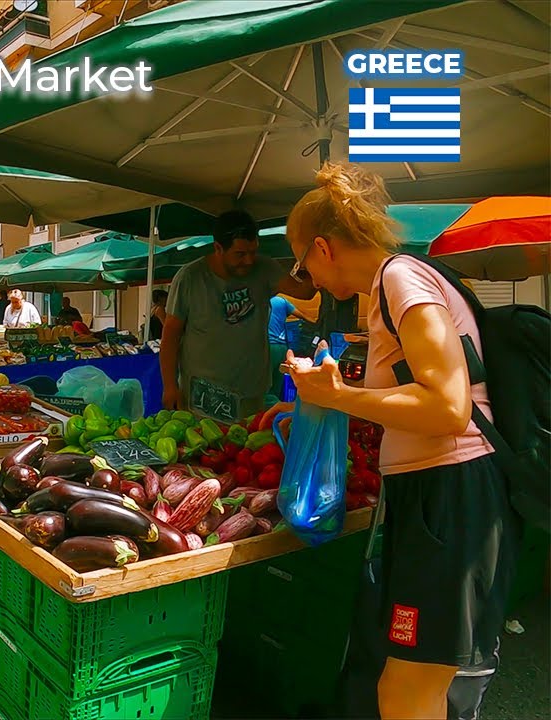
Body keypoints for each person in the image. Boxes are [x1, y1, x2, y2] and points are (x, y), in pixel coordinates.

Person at [279, 162, 516, 720]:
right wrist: (313, 401)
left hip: (451, 499)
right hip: (440, 498)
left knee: (407, 690)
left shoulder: (400, 279)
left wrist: (338, 398)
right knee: (408, 685)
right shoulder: (393, 286)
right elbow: (416, 401)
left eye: (302, 263)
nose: (307, 279)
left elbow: (447, 407)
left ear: (322, 248)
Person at [160, 210, 316, 415]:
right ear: (218, 248)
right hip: (203, 395)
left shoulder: (264, 268)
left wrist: (312, 255)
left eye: (253, 252)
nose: (249, 260)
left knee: (247, 446)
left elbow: (304, 291)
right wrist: (170, 386)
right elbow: (170, 335)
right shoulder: (190, 278)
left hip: (251, 392)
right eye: (240, 254)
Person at [267, 295, 308, 397]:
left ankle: (267, 409)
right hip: (282, 348)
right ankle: (276, 408)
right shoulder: (282, 301)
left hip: (266, 347)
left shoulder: (259, 301)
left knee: (264, 386)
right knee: (277, 386)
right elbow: (302, 316)